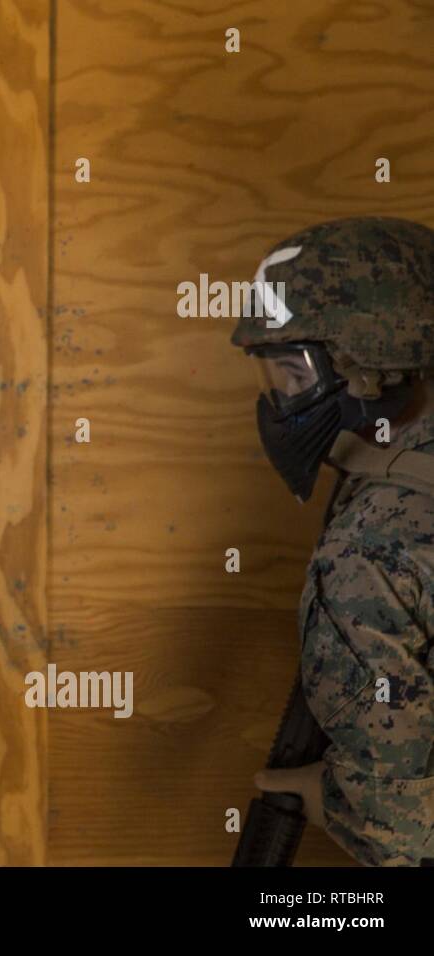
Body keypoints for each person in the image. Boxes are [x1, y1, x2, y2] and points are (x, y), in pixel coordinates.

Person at [231, 216, 434, 865]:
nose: (281, 404)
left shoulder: (370, 548)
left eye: (294, 375)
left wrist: (325, 795)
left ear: (377, 369)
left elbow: (401, 832)